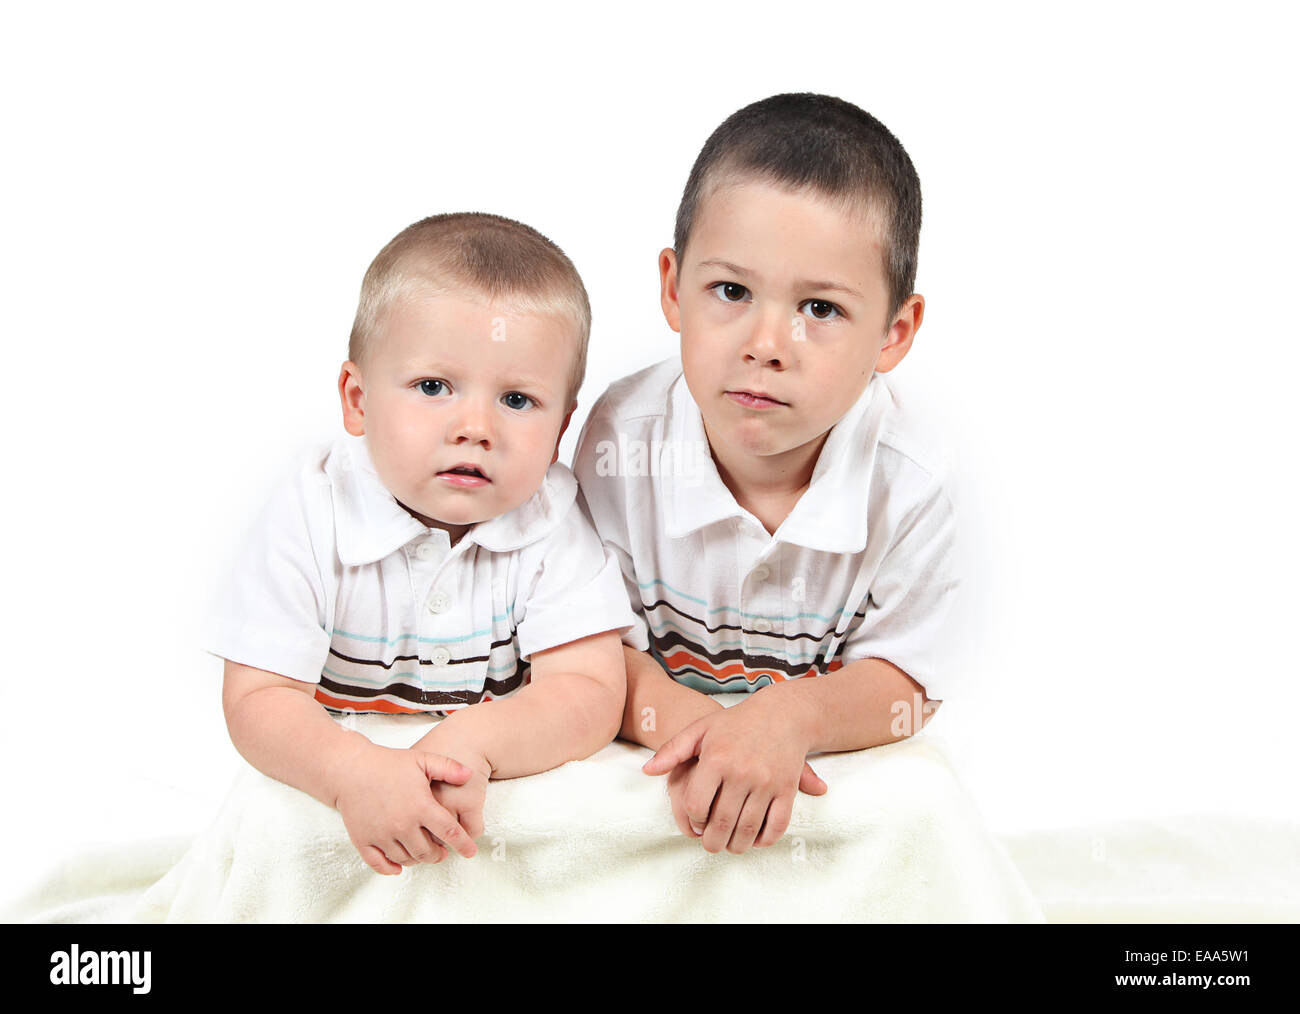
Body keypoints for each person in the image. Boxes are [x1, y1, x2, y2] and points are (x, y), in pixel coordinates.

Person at [574, 93, 959, 856]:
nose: (766, 342)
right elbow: (584, 646)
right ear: (673, 286)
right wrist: (704, 737)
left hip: (822, 772)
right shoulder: (624, 439)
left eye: (819, 308)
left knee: (923, 811)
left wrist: (787, 721)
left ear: (894, 332)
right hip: (653, 760)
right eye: (732, 291)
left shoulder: (909, 481)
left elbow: (906, 688)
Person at [209, 212, 635, 875]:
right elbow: (257, 699)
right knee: (269, 832)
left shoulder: (549, 517)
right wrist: (352, 773)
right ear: (357, 399)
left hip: (477, 802)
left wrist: (478, 743)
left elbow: (589, 689)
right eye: (433, 387)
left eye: (518, 400)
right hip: (334, 782)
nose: (475, 427)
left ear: (560, 430)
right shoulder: (315, 507)